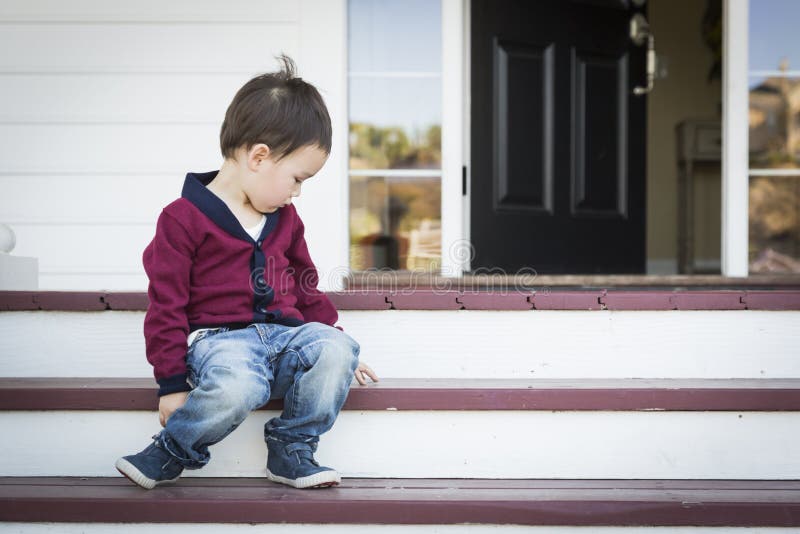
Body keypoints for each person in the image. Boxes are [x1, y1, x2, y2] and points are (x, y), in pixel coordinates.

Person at [116, 55, 378, 490]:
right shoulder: (182, 219)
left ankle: (292, 449)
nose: (296, 192)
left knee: (336, 347)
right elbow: (166, 305)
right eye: (297, 178)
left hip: (281, 338)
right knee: (239, 384)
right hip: (219, 344)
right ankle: (172, 449)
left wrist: (334, 340)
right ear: (259, 157)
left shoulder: (287, 220)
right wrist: (171, 384)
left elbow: (305, 284)